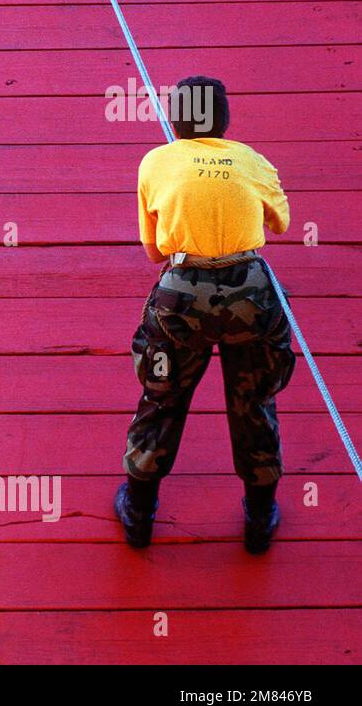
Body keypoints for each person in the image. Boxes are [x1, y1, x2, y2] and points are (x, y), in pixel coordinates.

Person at [118, 76, 294, 554]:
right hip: (250, 297)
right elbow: (281, 221)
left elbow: (155, 252)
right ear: (225, 121)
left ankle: (138, 510)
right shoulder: (251, 160)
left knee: (162, 396)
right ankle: (259, 519)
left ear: (175, 122)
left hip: (180, 298)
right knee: (254, 400)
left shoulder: (155, 162)